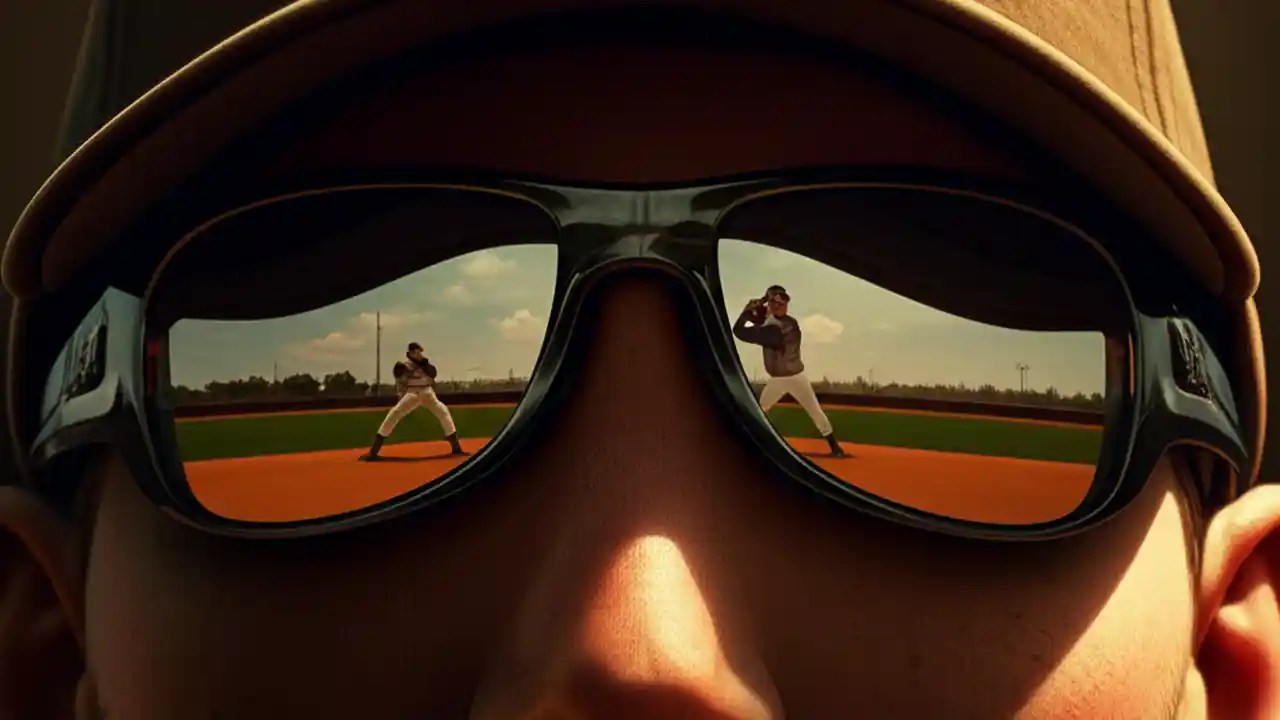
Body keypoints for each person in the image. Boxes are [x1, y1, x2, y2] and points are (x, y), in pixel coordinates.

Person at [0, 2, 1275, 719]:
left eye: (947, 283)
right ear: (49, 664)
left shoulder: (776, 337)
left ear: (1234, 676)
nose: (644, 657)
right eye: (292, 289)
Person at [734, 285, 848, 457]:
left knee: (814, 411)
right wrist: (750, 310)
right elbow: (742, 329)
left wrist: (751, 311)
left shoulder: (779, 327)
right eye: (775, 303)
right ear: (770, 305)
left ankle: (835, 448)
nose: (780, 306)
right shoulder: (771, 324)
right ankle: (748, 441)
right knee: (760, 409)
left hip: (796, 378)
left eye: (782, 303)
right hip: (777, 379)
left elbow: (742, 331)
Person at [360, 341, 467, 460]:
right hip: (412, 393)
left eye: (420, 351)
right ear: (409, 353)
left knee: (443, 412)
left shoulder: (426, 363)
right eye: (416, 351)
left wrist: (424, 364)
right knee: (394, 415)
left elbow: (433, 374)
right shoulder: (405, 364)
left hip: (428, 393)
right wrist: (404, 368)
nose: (419, 353)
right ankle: (374, 451)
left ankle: (456, 447)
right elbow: (398, 374)